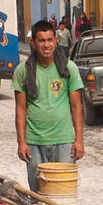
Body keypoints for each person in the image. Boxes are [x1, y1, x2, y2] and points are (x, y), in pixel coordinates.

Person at [13, 19, 85, 193]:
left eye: (49, 40)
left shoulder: (69, 68)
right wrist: (21, 142)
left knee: (64, 192)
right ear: (33, 42)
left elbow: (76, 107)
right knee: (38, 195)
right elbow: (20, 109)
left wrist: (79, 141)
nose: (46, 45)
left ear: (56, 40)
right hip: (34, 142)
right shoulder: (23, 70)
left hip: (64, 141)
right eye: (41, 40)